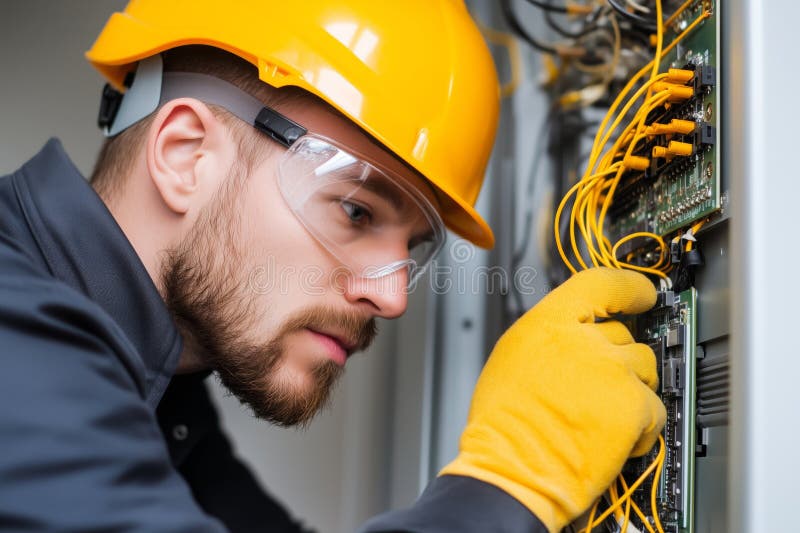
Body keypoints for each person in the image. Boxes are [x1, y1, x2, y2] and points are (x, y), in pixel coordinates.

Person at [0, 2, 666, 532]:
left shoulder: (163, 381)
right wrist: (513, 479)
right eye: (355, 211)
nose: (394, 294)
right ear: (184, 154)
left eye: (413, 244)